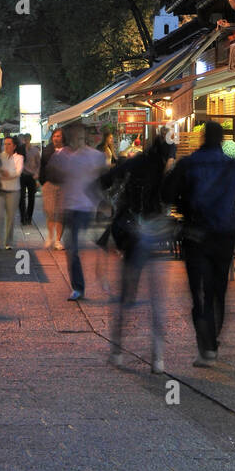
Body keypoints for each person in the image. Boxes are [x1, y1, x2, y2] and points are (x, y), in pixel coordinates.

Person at [162, 120, 235, 367]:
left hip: (196, 233)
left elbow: (166, 194)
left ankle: (206, 346)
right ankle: (211, 343)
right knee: (218, 289)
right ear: (222, 140)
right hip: (224, 233)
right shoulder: (233, 166)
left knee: (199, 292)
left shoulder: (187, 164)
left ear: (202, 138)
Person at [103, 130, 174, 373]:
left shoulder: (136, 162)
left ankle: (117, 351)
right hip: (155, 236)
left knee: (126, 295)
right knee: (156, 300)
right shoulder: (165, 171)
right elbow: (171, 198)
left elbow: (106, 179)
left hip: (133, 235)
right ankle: (158, 358)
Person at [46, 123, 106, 300]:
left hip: (86, 207)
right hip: (69, 207)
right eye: (73, 136)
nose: (76, 140)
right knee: (72, 248)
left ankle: (90, 279)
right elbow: (50, 174)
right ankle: (78, 287)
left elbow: (103, 178)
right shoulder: (62, 155)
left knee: (78, 245)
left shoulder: (95, 156)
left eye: (80, 136)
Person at [0, 137, 23, 249]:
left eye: (9, 144)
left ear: (14, 146)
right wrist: (7, 174)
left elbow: (18, 172)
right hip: (0, 190)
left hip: (14, 190)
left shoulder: (19, 158)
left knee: (11, 217)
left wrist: (5, 173)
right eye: (5, 144)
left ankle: (8, 242)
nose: (6, 146)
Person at [39, 128, 65, 249]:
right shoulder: (47, 150)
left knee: (60, 213)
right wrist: (43, 182)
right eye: (54, 136)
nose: (56, 138)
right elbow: (42, 167)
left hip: (64, 186)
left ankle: (58, 240)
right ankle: (50, 236)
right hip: (49, 184)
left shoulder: (68, 151)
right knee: (50, 212)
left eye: (58, 136)